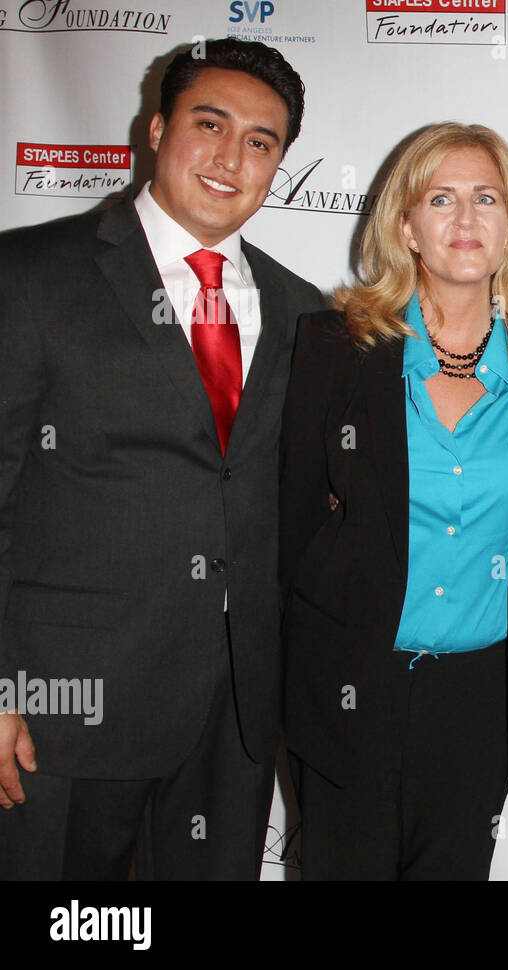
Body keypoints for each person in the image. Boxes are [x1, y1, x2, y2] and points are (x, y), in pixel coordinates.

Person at [0, 39, 322, 880]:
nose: (231, 157)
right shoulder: (31, 275)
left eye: (260, 142)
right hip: (62, 712)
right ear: (155, 127)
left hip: (234, 719)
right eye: (208, 124)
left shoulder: (301, 312)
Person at [279, 122, 508, 880]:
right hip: (350, 685)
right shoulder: (333, 346)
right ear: (406, 226)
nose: (466, 219)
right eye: (440, 198)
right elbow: (286, 525)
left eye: (487, 198)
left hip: (481, 698)